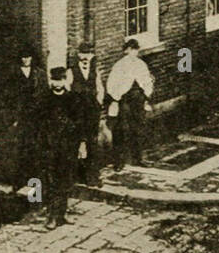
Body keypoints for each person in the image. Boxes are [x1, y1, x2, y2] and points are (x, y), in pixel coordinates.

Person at [39, 66, 81, 227]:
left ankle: (61, 214)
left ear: (65, 80)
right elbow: (38, 124)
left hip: (67, 147)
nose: (57, 84)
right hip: (49, 147)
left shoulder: (72, 99)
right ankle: (51, 216)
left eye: (60, 80)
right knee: (51, 182)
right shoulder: (44, 99)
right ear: (51, 81)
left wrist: (79, 145)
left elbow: (78, 123)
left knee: (66, 181)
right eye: (54, 80)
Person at [106, 39, 154, 168]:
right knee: (121, 130)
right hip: (124, 100)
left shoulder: (141, 64)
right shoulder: (119, 66)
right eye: (130, 49)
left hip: (138, 100)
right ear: (126, 50)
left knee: (138, 129)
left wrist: (145, 96)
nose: (133, 52)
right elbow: (111, 84)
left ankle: (137, 158)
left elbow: (147, 81)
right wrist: (116, 98)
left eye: (135, 49)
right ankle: (118, 161)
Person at [67, 40, 105, 185]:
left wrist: (98, 103)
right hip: (77, 114)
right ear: (78, 55)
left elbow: (100, 89)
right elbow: (67, 91)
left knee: (91, 142)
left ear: (91, 55)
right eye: (82, 53)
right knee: (76, 142)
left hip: (91, 113)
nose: (85, 57)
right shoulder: (71, 71)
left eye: (88, 54)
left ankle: (92, 176)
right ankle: (75, 175)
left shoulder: (95, 71)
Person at [10, 47, 45, 193]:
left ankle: (34, 186)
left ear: (32, 58)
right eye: (23, 57)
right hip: (21, 117)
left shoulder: (39, 74)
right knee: (20, 150)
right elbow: (9, 98)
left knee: (35, 150)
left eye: (28, 57)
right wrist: (13, 118)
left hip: (36, 117)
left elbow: (44, 94)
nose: (25, 60)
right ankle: (19, 182)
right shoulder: (13, 74)